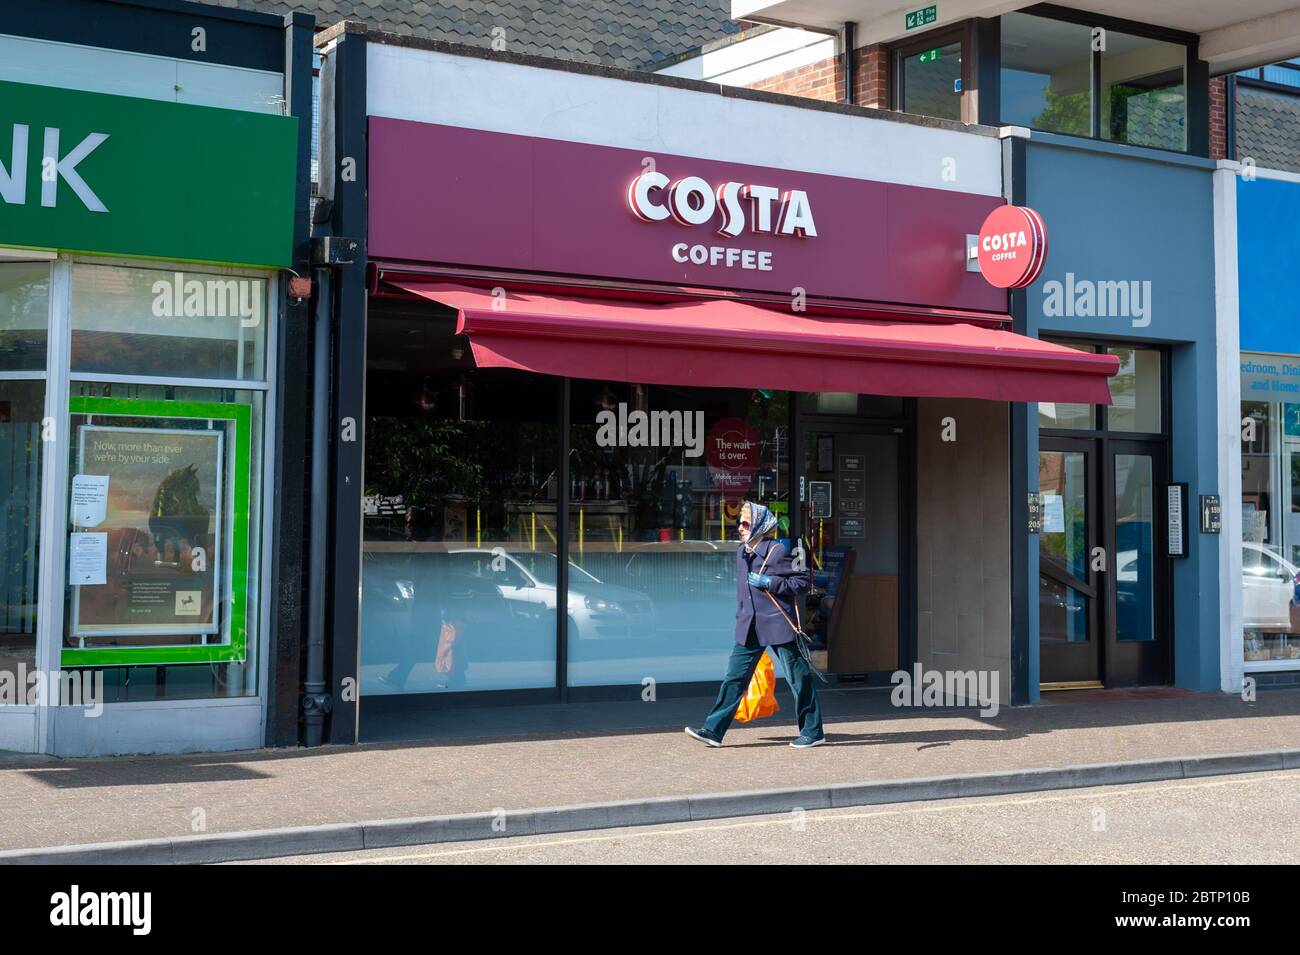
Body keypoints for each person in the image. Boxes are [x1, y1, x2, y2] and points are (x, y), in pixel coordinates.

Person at [685, 500, 826, 749]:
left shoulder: (778, 550)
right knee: (734, 678)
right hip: (749, 626)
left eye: (746, 523)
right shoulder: (742, 552)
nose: (740, 527)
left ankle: (813, 732)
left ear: (760, 525)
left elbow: (803, 583)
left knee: (798, 678)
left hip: (778, 625)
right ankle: (713, 731)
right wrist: (740, 617)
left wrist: (770, 582)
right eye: (740, 522)